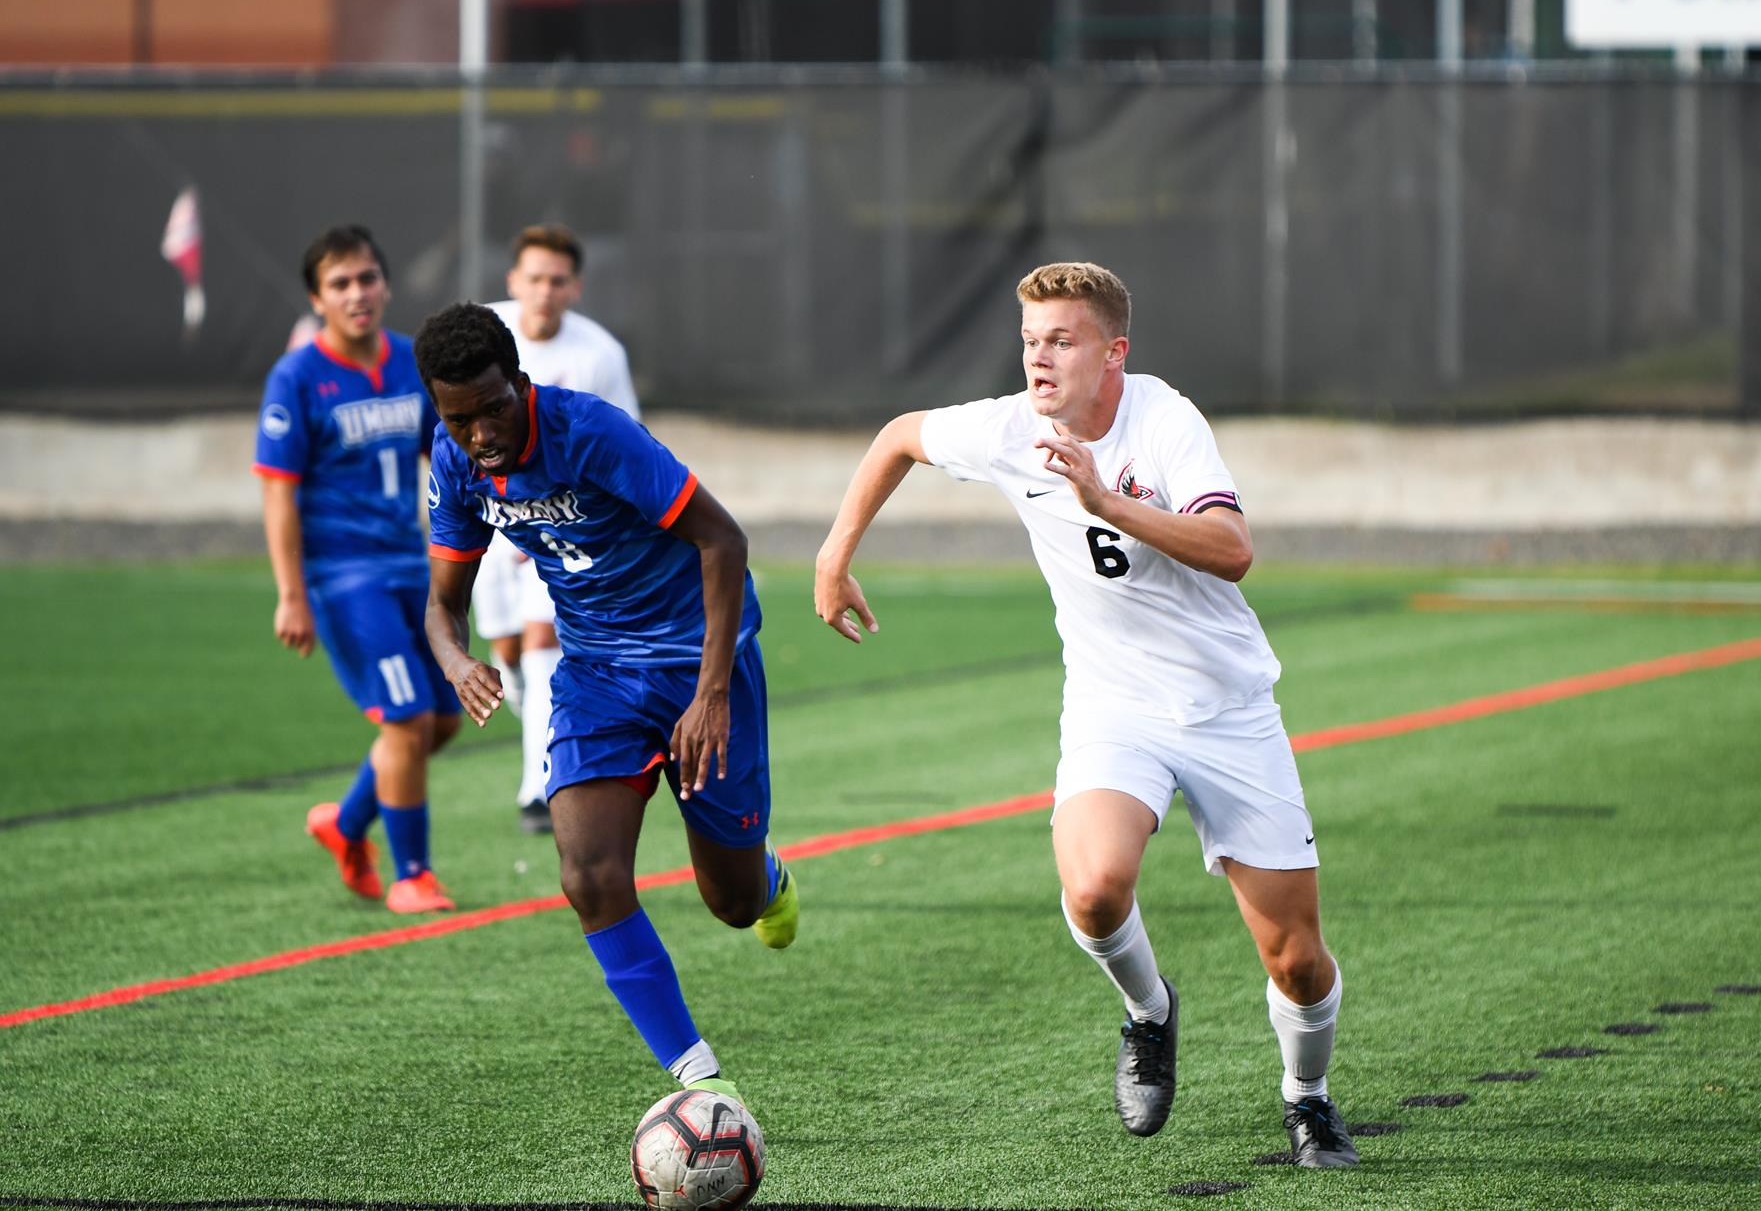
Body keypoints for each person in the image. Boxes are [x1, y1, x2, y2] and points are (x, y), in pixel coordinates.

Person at [812, 262, 1356, 1168]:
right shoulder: (1009, 429)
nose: (1038, 359)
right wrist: (834, 555)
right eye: (1030, 340)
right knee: (1096, 890)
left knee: (1296, 958)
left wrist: (1109, 500)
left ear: (1114, 353)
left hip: (1225, 709)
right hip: (1114, 706)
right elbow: (900, 436)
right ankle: (1150, 1012)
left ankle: (1308, 1097)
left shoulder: (1165, 419)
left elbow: (1234, 548)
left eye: (1061, 340)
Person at [416, 303, 796, 1102]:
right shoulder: (455, 467)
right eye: (458, 419)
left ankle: (765, 879)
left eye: (492, 408)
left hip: (701, 664)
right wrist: (456, 660)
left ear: (520, 383)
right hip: (595, 674)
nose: (480, 432)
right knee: (588, 873)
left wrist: (712, 692)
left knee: (730, 901)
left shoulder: (592, 433)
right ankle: (698, 1078)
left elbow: (722, 540)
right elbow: (443, 601)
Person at [254, 224, 462, 915]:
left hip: (411, 565)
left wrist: (504, 519)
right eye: (339, 283)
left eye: (367, 277)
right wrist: (291, 594)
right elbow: (278, 490)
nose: (357, 293)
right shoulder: (296, 377)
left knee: (443, 719)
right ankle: (413, 874)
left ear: (387, 284)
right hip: (344, 577)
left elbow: (449, 454)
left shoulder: (410, 361)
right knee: (405, 720)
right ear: (317, 298)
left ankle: (344, 826)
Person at [472, 223, 641, 834]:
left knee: (546, 639)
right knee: (510, 650)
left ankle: (539, 788)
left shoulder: (600, 355)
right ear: (514, 281)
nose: (545, 291)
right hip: (489, 527)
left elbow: (625, 446)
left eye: (558, 280)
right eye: (534, 278)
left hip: (562, 528)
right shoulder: (485, 335)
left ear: (576, 288)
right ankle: (525, 699)